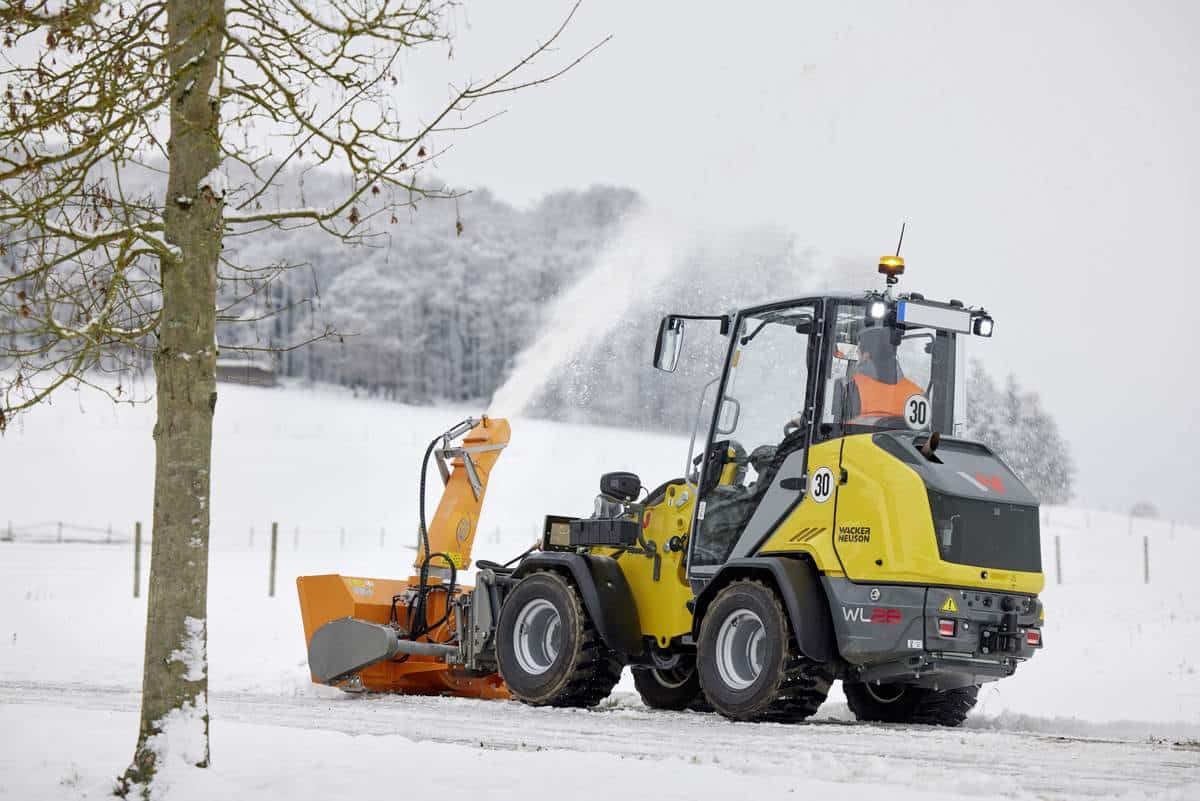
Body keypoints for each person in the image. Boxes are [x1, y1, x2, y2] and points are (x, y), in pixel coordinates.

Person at [847, 327, 924, 424]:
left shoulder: (851, 388)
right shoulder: (916, 394)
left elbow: (838, 430)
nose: (857, 353)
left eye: (858, 350)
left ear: (866, 355)